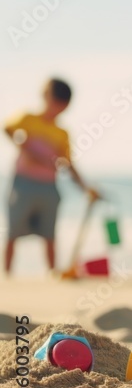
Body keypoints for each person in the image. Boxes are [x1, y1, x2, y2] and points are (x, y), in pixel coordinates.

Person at [4, 78, 100, 276]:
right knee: (13, 231)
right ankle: (7, 276)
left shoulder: (61, 133)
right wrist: (21, 143)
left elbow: (68, 164)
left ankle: (51, 274)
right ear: (46, 96)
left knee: (49, 234)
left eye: (62, 105)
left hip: (49, 185)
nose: (56, 108)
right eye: (55, 102)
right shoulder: (27, 118)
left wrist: (85, 188)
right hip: (23, 183)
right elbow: (7, 129)